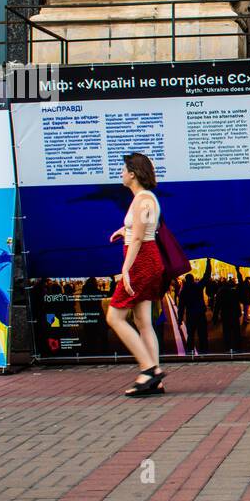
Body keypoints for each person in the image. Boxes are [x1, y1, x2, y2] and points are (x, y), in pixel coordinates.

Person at [106, 152, 166, 396]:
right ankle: (155, 379)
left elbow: (140, 237)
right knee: (143, 322)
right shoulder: (145, 199)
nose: (120, 173)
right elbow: (146, 227)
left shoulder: (142, 199)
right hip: (147, 259)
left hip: (142, 261)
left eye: (123, 170)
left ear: (133, 174)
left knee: (114, 317)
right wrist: (125, 230)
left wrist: (126, 269)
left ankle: (148, 370)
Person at [179, 270, 209, 355]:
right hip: (200, 313)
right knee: (202, 333)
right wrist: (208, 263)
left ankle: (190, 350)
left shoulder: (183, 291)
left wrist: (180, 318)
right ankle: (204, 350)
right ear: (193, 279)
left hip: (190, 314)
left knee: (191, 334)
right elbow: (206, 277)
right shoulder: (198, 286)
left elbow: (181, 306)